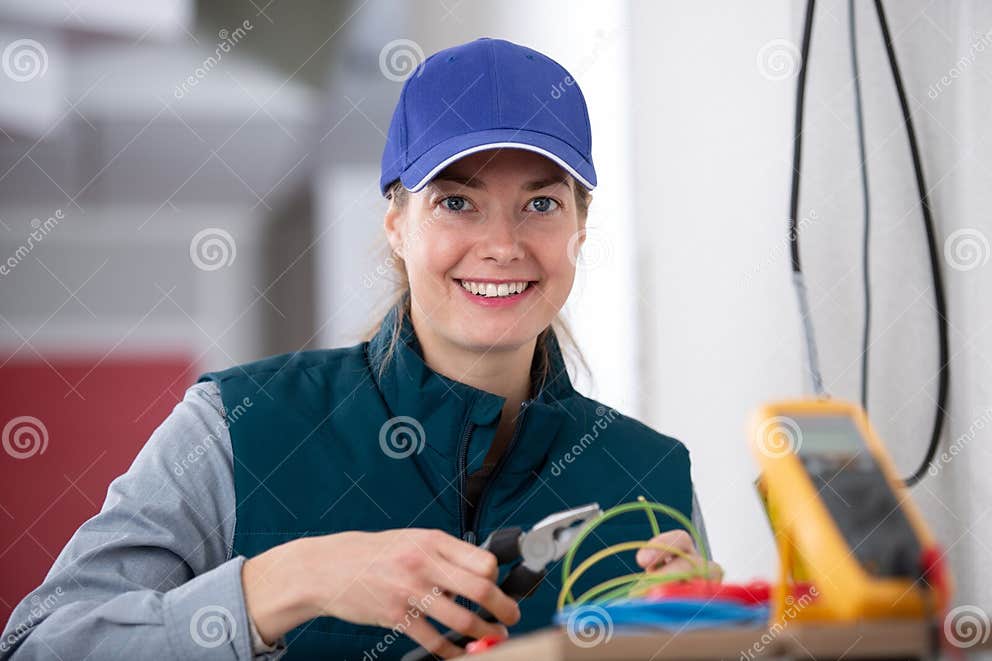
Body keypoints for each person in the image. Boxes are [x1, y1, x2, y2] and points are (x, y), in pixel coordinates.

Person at [0, 37, 718, 661]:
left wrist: (708, 638)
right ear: (397, 226)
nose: (502, 246)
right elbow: (41, 645)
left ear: (579, 229)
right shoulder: (234, 425)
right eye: (455, 201)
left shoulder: (649, 477)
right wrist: (288, 581)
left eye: (540, 203)